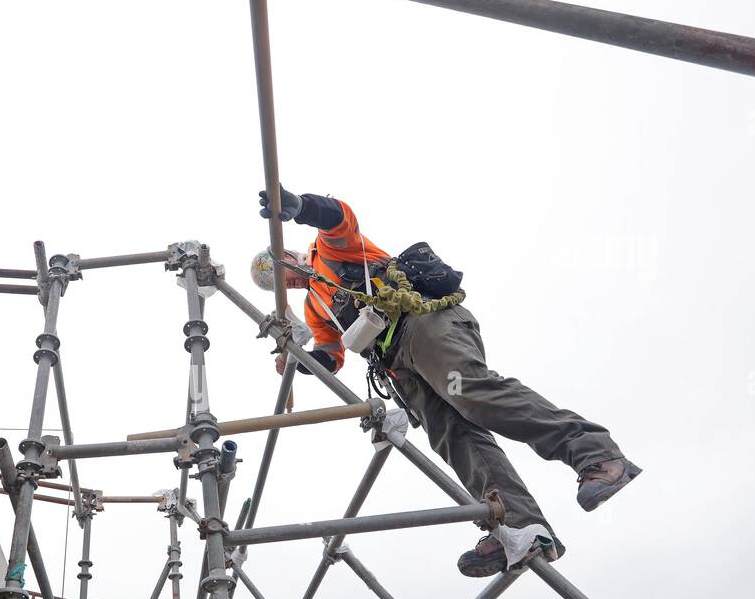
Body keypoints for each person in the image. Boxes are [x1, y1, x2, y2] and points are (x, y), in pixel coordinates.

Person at [253, 187, 642, 577]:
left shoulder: (329, 252)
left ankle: (596, 454)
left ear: (288, 256)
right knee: (455, 436)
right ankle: (520, 527)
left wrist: (298, 206)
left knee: (470, 392)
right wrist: (297, 359)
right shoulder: (314, 306)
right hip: (399, 367)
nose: (281, 283)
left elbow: (339, 217)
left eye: (276, 272)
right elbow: (331, 355)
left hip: (422, 325)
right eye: (273, 285)